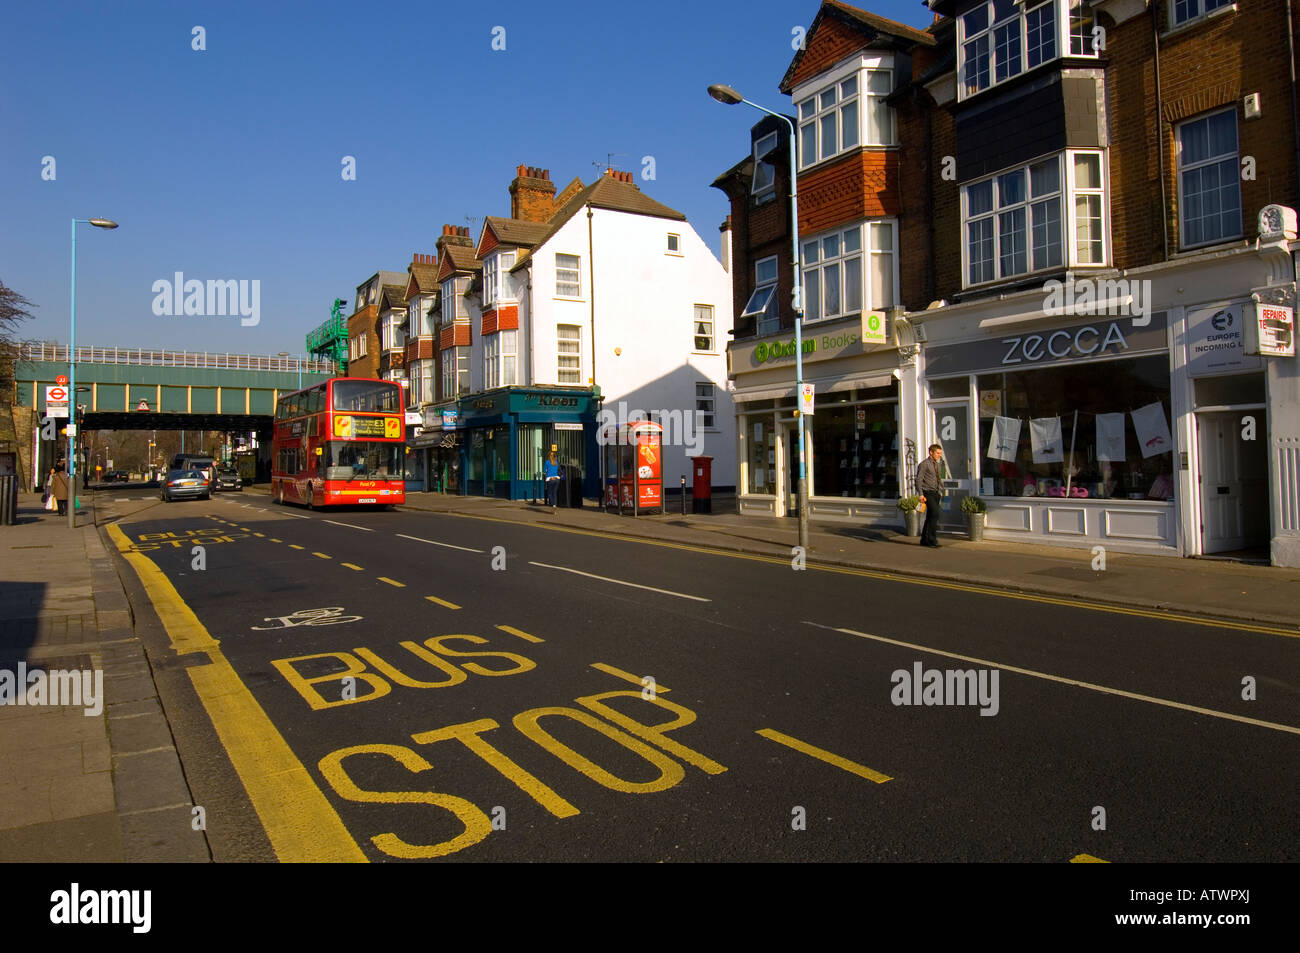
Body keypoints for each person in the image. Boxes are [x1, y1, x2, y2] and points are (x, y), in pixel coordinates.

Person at [916, 443, 945, 548]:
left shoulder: (937, 464)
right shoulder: (924, 464)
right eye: (937, 453)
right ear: (931, 452)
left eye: (940, 453)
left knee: (930, 516)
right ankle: (932, 540)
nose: (939, 455)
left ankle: (924, 539)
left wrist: (940, 490)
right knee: (935, 514)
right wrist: (920, 494)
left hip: (936, 493)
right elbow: (918, 479)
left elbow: (938, 478)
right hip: (927, 492)